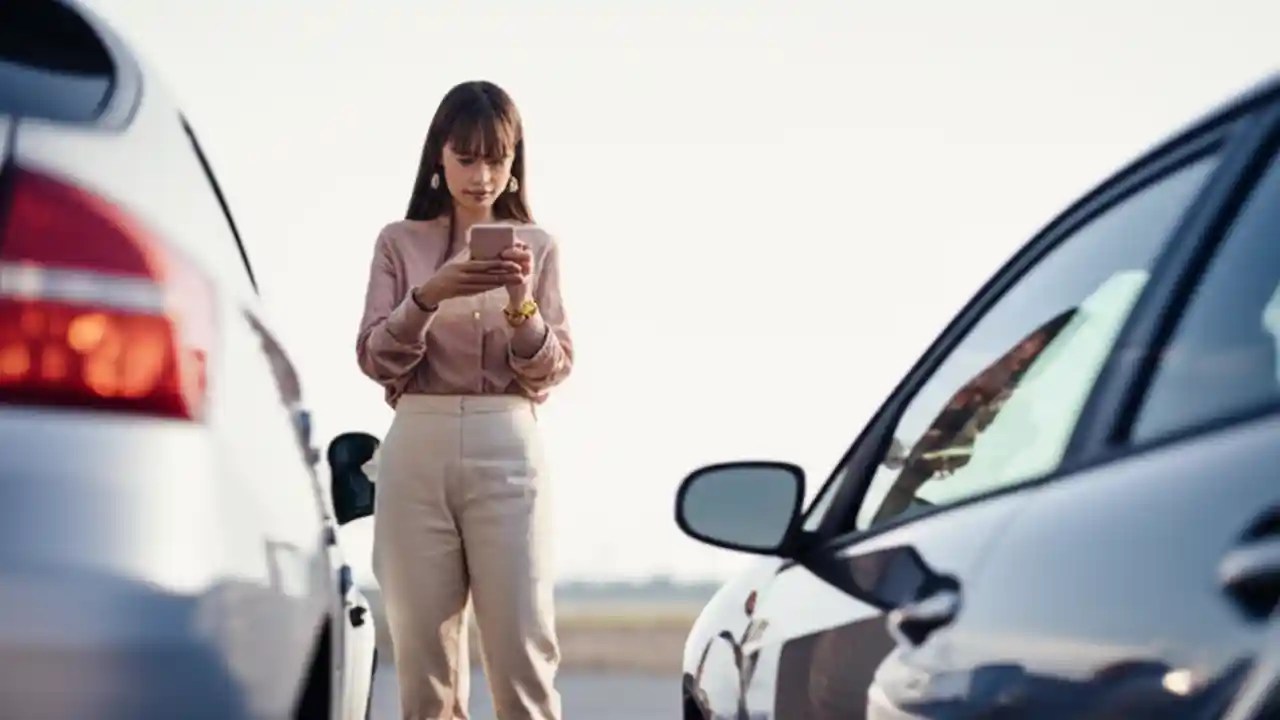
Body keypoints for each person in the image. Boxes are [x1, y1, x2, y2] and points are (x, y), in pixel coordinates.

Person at [356, 80, 572, 720]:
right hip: (416, 443)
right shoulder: (399, 242)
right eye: (468, 157)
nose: (483, 175)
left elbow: (549, 372)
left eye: (497, 158)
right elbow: (375, 358)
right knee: (426, 671)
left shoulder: (538, 246)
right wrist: (428, 297)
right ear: (438, 158)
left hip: (506, 441)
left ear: (514, 161)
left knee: (524, 656)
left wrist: (519, 303)